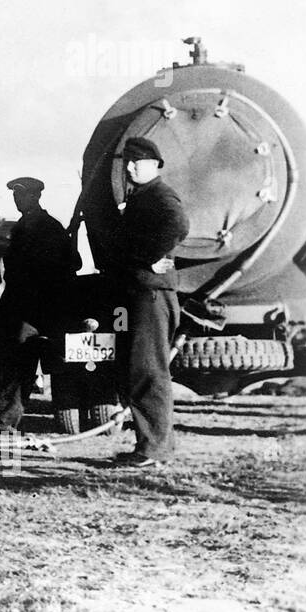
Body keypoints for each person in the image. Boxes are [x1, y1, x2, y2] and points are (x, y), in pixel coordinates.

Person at [106, 137, 189, 467]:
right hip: (134, 297)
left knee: (149, 371)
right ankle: (151, 445)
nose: (129, 168)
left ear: (155, 165)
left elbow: (178, 224)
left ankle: (153, 450)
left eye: (137, 162)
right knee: (135, 367)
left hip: (150, 296)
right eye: (127, 162)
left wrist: (149, 257)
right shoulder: (139, 198)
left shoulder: (159, 194)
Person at [0, 177, 79, 431]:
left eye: (22, 194)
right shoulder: (24, 227)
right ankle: (1, 421)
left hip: (30, 306)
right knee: (0, 363)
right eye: (15, 195)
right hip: (17, 302)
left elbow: (71, 264)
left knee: (12, 364)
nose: (17, 198)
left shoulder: (46, 227)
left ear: (36, 197)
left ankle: (1, 424)